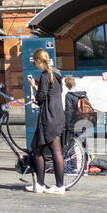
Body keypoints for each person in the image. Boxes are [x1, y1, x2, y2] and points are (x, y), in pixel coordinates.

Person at [26, 49, 66, 194]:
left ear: (38, 60)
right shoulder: (56, 73)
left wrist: (33, 89)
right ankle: (55, 185)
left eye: (35, 61)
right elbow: (53, 92)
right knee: (55, 150)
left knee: (37, 148)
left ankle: (43, 185)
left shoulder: (45, 75)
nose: (35, 64)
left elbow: (41, 98)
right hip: (58, 116)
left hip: (48, 117)